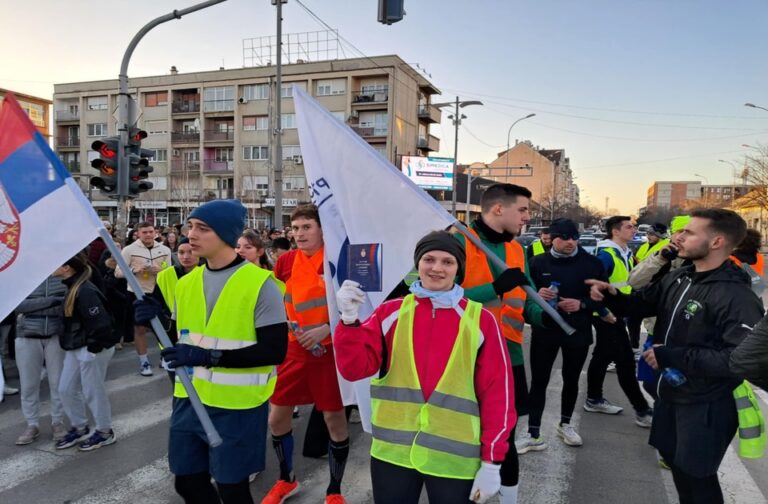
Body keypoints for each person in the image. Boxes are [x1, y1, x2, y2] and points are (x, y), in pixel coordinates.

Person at [589, 208, 765, 504]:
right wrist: (611, 295)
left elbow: (739, 360)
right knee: (678, 470)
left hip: (705, 404)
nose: (679, 237)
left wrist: (673, 356)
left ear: (717, 242)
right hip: (669, 395)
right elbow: (640, 304)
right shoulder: (682, 277)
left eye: (689, 232)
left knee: (698, 480)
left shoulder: (737, 296)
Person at [334, 230, 513, 504]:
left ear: (458, 269)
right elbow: (354, 369)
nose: (437, 268)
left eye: (447, 262)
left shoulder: (481, 321)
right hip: (393, 454)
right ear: (418, 264)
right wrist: (348, 320)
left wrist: (492, 462)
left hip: (455, 458)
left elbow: (498, 396)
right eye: (429, 259)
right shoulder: (389, 313)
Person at [134, 199, 288, 504]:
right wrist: (156, 321)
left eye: (202, 228)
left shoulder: (261, 284)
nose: (191, 234)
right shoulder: (185, 283)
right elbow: (180, 343)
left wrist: (209, 358)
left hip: (237, 407)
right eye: (190, 226)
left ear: (226, 235)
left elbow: (274, 351)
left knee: (233, 490)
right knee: (187, 484)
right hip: (189, 399)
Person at [453, 183, 545, 504]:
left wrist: (546, 316)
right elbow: (436, 298)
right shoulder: (457, 242)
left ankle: (509, 499)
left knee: (503, 436)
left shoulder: (518, 250)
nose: (526, 217)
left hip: (510, 357)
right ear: (497, 209)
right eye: (522, 210)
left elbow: (527, 296)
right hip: (465, 358)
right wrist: (493, 287)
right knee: (466, 436)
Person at [262, 205, 349, 504]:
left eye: (306, 227)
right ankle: (286, 480)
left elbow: (361, 304)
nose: (299, 234)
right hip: (294, 349)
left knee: (334, 420)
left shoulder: (340, 258)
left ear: (323, 229)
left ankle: (335, 490)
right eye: (295, 228)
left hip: (329, 351)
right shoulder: (285, 261)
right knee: (276, 418)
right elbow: (276, 300)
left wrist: (328, 328)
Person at [517, 219, 609, 453]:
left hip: (578, 331)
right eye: (564, 238)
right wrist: (538, 294)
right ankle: (533, 432)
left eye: (574, 238)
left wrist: (582, 304)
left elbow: (604, 297)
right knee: (539, 381)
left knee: (572, 378)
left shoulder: (592, 264)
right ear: (551, 238)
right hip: (545, 332)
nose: (570, 242)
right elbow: (524, 298)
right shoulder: (537, 263)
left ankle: (566, 424)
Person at [585, 216, 653, 427]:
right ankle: (642, 410)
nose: (634, 230)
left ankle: (593, 398)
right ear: (615, 231)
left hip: (618, 311)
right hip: (607, 315)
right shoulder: (607, 254)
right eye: (629, 227)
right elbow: (593, 286)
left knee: (602, 356)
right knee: (624, 362)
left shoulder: (624, 252)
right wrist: (604, 310)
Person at [53, 253, 118, 451]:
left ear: (67, 268)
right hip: (77, 346)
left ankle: (105, 431)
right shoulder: (73, 286)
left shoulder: (85, 290)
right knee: (65, 389)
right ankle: (80, 427)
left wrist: (93, 348)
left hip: (91, 347)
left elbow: (101, 323)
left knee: (93, 390)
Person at [13, 275, 68, 445]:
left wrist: (34, 306)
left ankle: (57, 422)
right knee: (29, 384)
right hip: (26, 335)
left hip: (56, 335)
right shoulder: (24, 276)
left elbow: (68, 304)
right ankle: (32, 424)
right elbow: (18, 306)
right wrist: (53, 301)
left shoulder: (63, 276)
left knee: (58, 382)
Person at [115, 221, 172, 376]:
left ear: (155, 233)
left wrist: (161, 270)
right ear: (138, 234)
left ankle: (165, 357)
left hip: (158, 291)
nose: (148, 235)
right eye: (144, 232)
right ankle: (144, 362)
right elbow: (118, 272)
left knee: (163, 327)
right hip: (137, 292)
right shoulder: (129, 250)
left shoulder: (164, 249)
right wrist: (134, 270)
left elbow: (169, 269)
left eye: (150, 231)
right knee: (139, 328)